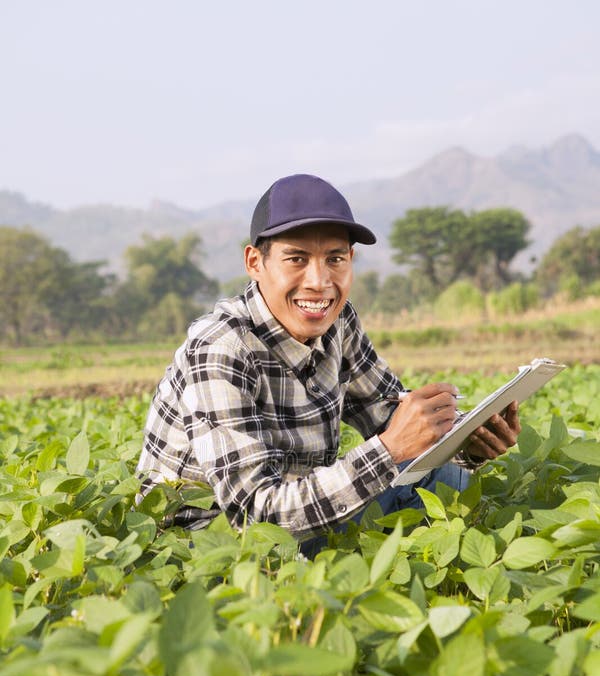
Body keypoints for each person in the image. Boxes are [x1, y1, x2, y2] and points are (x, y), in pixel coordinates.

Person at [136, 173, 520, 546]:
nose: (319, 281)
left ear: (351, 260)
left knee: (449, 479)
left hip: (303, 507)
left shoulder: (338, 322)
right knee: (419, 486)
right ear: (255, 262)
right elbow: (255, 517)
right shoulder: (221, 348)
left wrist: (468, 439)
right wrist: (388, 451)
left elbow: (387, 410)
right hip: (212, 542)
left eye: (334, 259)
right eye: (296, 259)